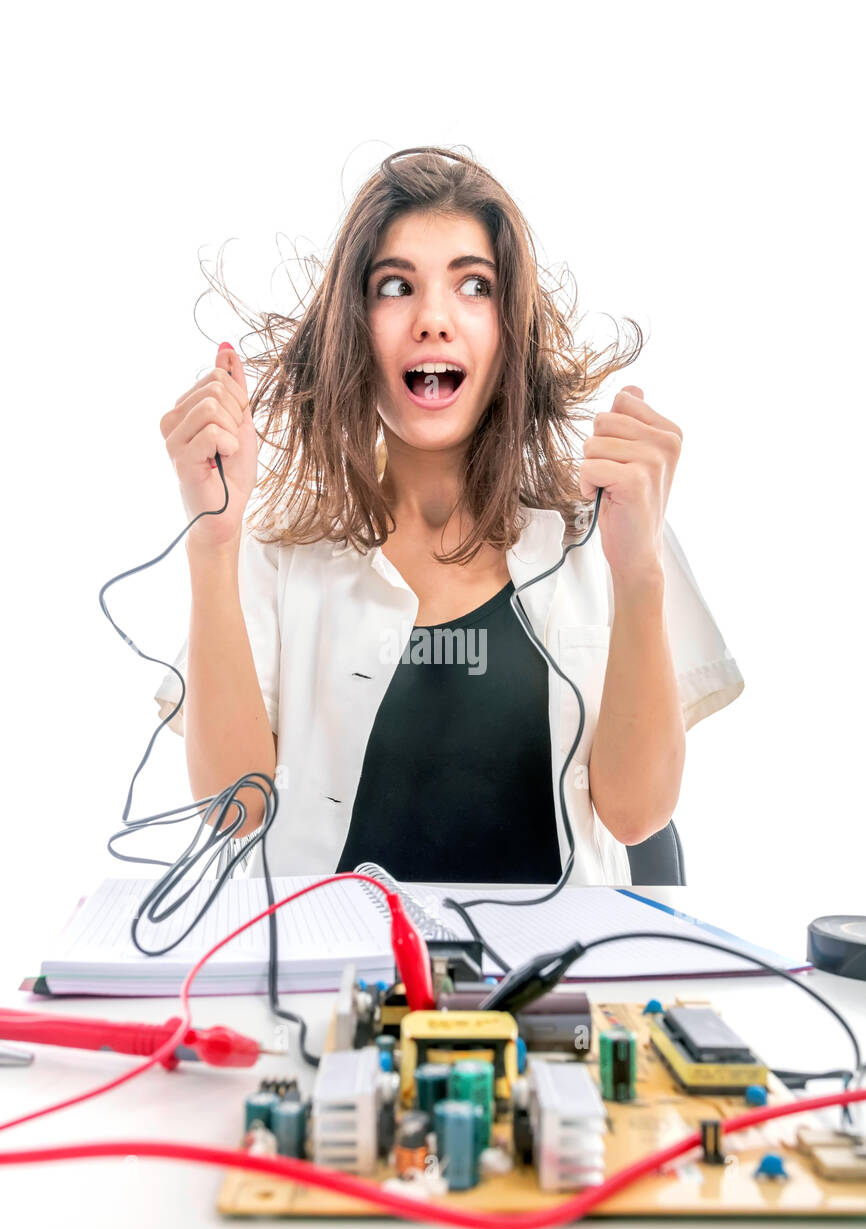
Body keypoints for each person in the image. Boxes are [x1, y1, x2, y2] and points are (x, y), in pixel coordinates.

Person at [154, 146, 743, 886]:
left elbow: (636, 816)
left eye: (474, 286)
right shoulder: (273, 548)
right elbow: (231, 811)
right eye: (395, 286)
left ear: (510, 330)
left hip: (550, 986)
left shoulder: (610, 528)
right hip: (334, 977)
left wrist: (638, 570)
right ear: (354, 331)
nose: (433, 319)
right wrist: (212, 545)